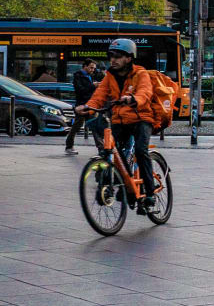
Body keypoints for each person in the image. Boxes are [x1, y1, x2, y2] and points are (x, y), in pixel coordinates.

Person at [82, 39, 160, 209]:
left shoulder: (141, 74)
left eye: (118, 56)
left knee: (140, 150)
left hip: (141, 118)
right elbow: (100, 95)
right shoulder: (110, 76)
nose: (113, 60)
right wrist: (87, 107)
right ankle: (124, 182)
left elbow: (145, 92)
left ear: (129, 58)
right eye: (111, 56)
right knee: (111, 150)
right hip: (120, 120)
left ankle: (150, 192)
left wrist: (133, 99)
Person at [63, 58, 100, 155]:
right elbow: (80, 90)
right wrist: (93, 86)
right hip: (82, 104)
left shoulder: (90, 76)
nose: (93, 70)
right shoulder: (78, 76)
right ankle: (69, 146)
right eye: (91, 68)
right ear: (85, 66)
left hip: (91, 104)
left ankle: (101, 148)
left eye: (94, 68)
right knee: (77, 126)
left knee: (95, 125)